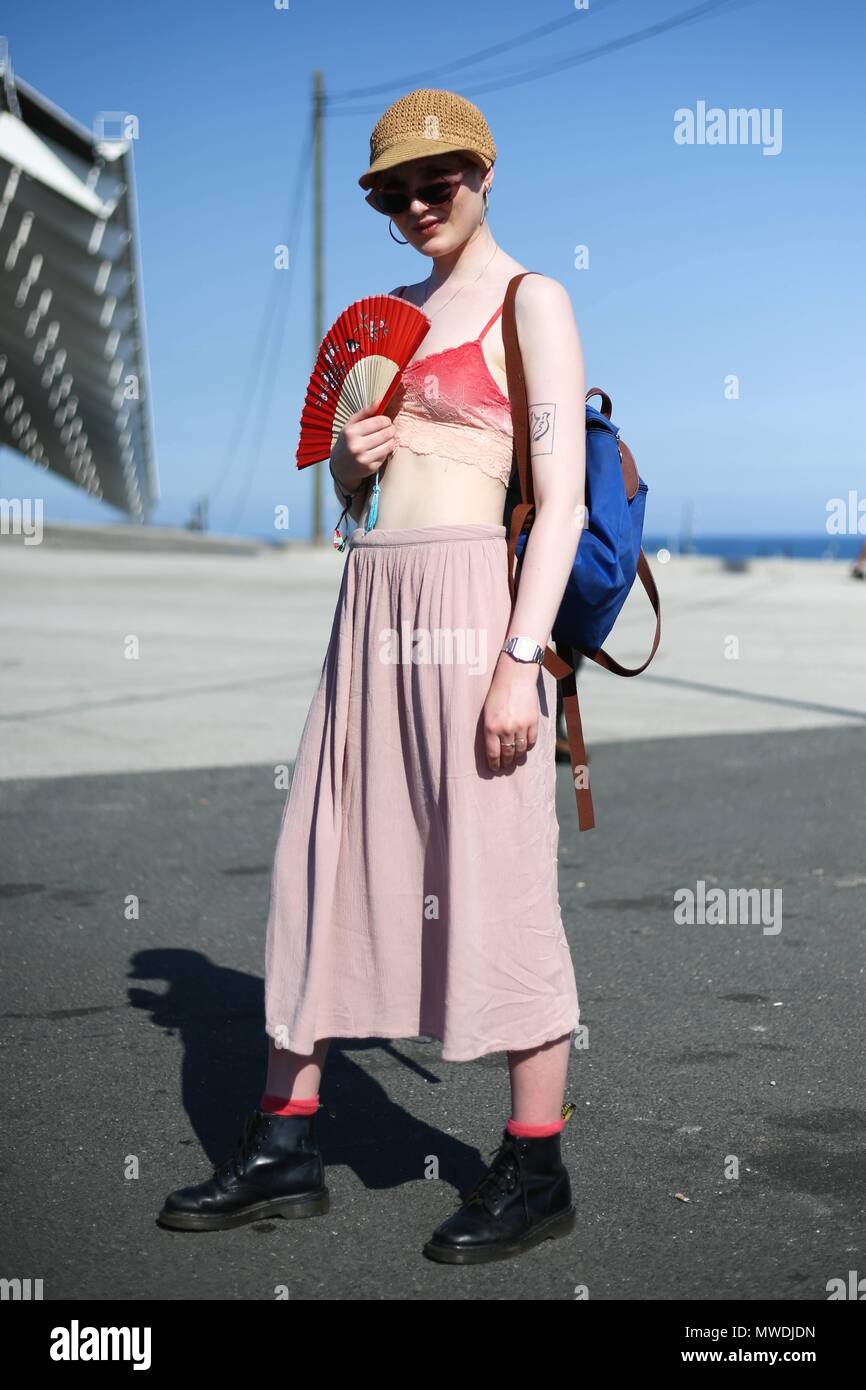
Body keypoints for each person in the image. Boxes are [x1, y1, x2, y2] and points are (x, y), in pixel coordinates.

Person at [158, 88, 587, 1266]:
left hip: (469, 618)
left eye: (431, 184)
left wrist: (516, 666)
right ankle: (282, 1142)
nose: (412, 207)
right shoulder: (383, 319)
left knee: (495, 874)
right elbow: (359, 508)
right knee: (318, 858)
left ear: (482, 173)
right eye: (390, 192)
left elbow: (562, 506)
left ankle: (535, 1162)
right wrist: (347, 467)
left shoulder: (526, 299)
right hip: (368, 611)